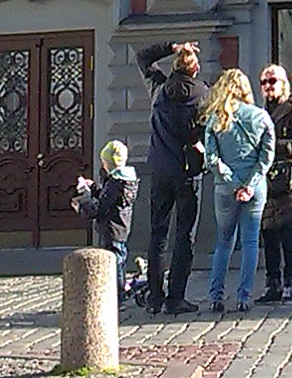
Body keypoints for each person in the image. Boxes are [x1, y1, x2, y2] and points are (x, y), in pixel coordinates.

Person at [199, 67, 276, 315]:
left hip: (224, 188)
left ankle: (216, 296)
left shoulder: (216, 119)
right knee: (251, 241)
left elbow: (211, 158)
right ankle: (244, 297)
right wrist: (249, 184)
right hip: (254, 189)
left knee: (223, 242)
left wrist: (232, 182)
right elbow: (267, 157)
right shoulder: (261, 117)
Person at [137, 41, 204, 314]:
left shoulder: (158, 90)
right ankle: (176, 298)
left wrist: (173, 46)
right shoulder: (203, 94)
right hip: (188, 173)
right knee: (184, 236)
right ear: (196, 69)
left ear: (174, 65)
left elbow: (143, 57)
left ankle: (155, 297)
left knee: (158, 234)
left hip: (160, 171)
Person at [258, 62, 292, 304]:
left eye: (272, 82)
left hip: (287, 180)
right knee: (268, 234)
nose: (268, 87)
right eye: (264, 82)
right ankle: (273, 285)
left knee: (286, 233)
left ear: (283, 84)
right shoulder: (263, 110)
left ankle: (291, 282)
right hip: (267, 180)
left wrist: (273, 146)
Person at [73, 139, 138, 278]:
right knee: (120, 260)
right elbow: (108, 199)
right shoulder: (126, 181)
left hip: (112, 229)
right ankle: (119, 291)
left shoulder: (115, 183)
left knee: (114, 265)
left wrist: (84, 196)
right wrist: (94, 187)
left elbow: (99, 208)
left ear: (109, 163)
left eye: (104, 162)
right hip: (120, 228)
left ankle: (117, 294)